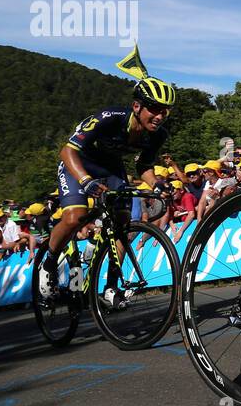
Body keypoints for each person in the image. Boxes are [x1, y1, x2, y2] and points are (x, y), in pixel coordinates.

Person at [38, 75, 174, 300]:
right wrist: (85, 181)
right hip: (78, 163)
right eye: (155, 109)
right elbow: (67, 150)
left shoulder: (157, 135)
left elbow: (143, 166)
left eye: (165, 111)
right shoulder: (110, 117)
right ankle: (49, 263)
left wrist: (158, 184)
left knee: (122, 222)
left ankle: (111, 286)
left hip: (111, 169)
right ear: (136, 106)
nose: (160, 116)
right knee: (75, 217)